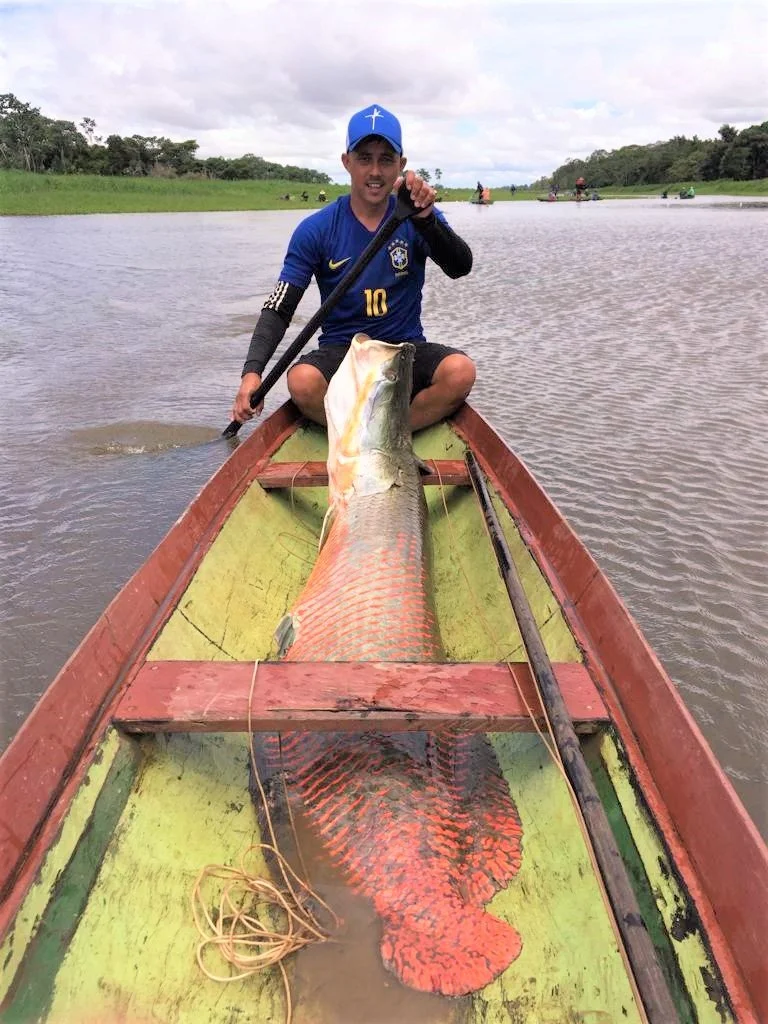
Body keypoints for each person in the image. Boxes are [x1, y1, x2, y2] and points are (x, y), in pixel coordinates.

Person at [232, 104, 475, 432]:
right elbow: (279, 308)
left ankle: (391, 433)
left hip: (404, 351)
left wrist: (427, 221)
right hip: (343, 354)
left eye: (386, 159)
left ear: (400, 166)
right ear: (346, 162)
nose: (375, 171)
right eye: (364, 158)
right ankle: (361, 435)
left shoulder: (418, 215)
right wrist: (252, 374)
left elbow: (461, 266)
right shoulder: (316, 229)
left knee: (460, 372)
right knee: (302, 382)